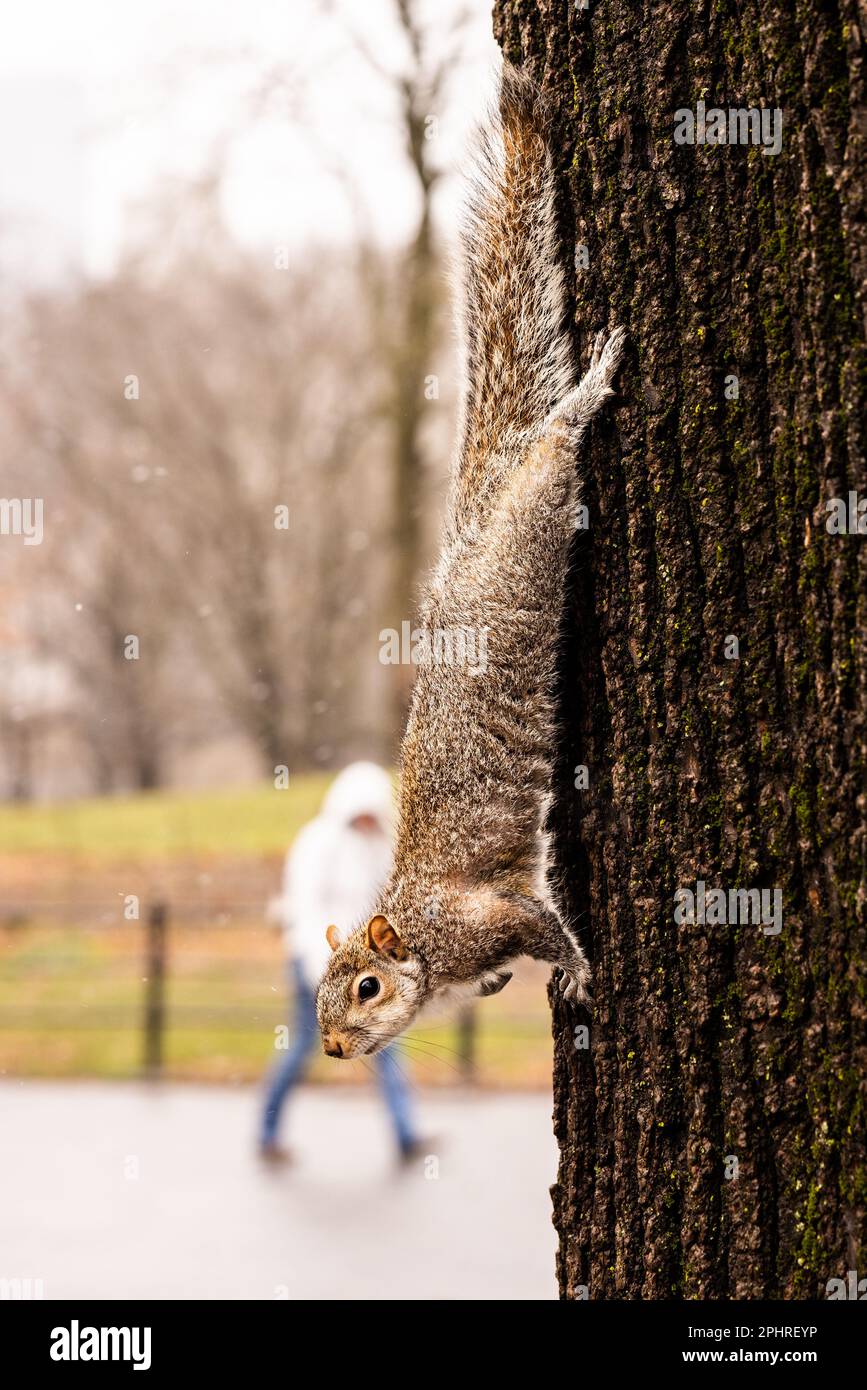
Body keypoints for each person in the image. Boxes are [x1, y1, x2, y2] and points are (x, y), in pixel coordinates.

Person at [259, 761, 421, 1163]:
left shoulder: (380, 846)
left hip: (362, 978)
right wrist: (322, 971)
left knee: (387, 1046)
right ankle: (267, 1134)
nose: (368, 820)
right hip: (316, 965)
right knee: (300, 1047)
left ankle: (406, 1135)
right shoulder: (318, 841)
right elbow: (307, 906)